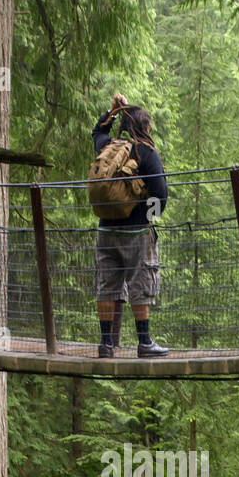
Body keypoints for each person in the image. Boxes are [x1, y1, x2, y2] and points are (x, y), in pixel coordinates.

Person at [92, 94, 169, 358]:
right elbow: (160, 193)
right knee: (141, 282)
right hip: (136, 231)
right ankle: (145, 342)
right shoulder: (145, 153)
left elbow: (97, 131)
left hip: (106, 229)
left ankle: (105, 344)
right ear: (145, 128)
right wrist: (149, 217)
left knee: (107, 284)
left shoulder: (108, 149)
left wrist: (112, 111)